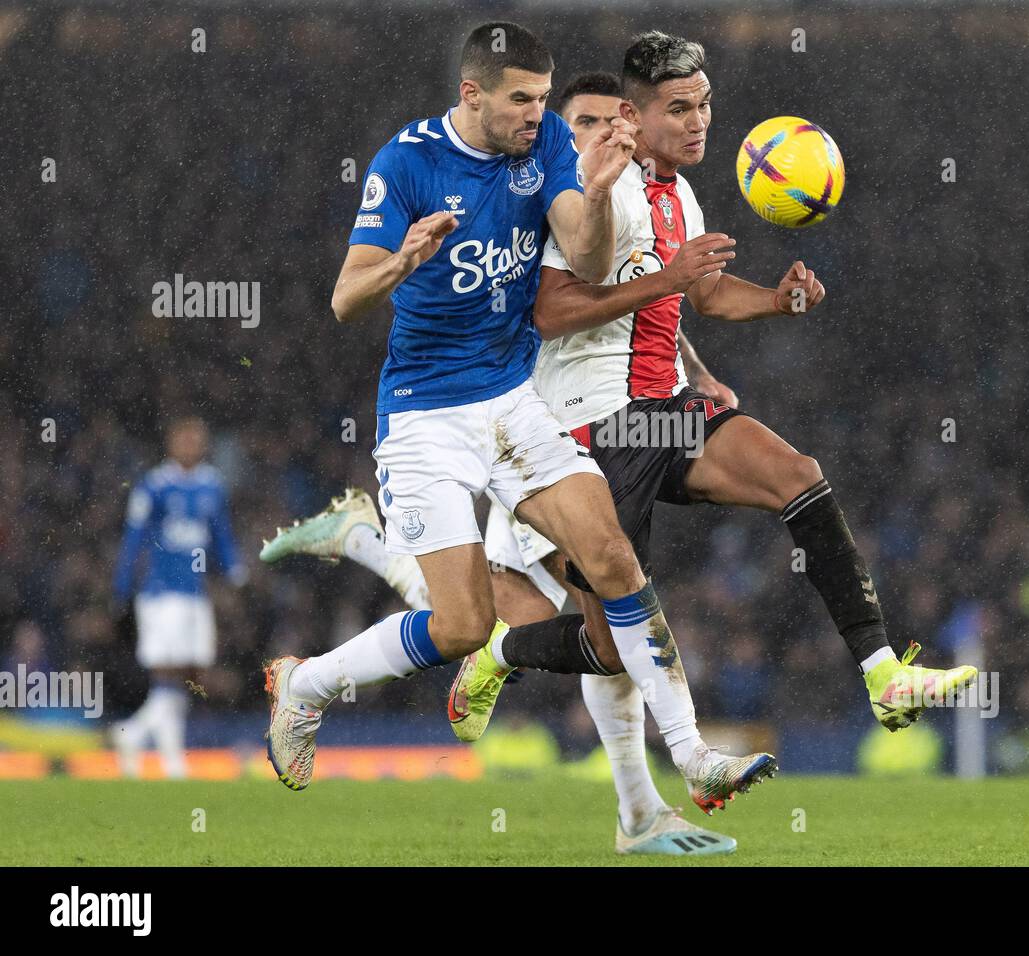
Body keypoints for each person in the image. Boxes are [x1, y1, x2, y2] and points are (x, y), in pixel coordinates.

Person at [263, 23, 772, 814]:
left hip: (512, 401)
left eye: (545, 97)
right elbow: (344, 296)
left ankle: (694, 756)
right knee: (463, 625)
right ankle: (310, 683)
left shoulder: (550, 154)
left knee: (613, 560)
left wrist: (598, 191)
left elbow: (591, 264)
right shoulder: (408, 162)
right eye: (522, 100)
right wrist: (405, 262)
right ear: (473, 95)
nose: (539, 115)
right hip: (426, 415)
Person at [453, 30, 978, 759]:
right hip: (591, 434)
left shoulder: (679, 193)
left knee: (798, 475)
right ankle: (499, 655)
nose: (700, 121)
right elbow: (550, 310)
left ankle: (882, 672)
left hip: (661, 415)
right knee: (609, 650)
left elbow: (704, 292)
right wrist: (666, 280)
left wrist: (776, 300)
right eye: (680, 108)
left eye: (705, 104)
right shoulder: (587, 188)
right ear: (634, 118)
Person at [112, 417, 246, 778]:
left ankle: (133, 735)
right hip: (160, 594)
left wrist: (235, 569)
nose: (190, 445)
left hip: (194, 593)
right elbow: (134, 537)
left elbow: (221, 535)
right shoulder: (154, 486)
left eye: (196, 440)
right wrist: (122, 585)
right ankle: (172, 761)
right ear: (171, 443)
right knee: (167, 673)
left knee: (193, 672)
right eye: (183, 439)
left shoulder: (212, 486)